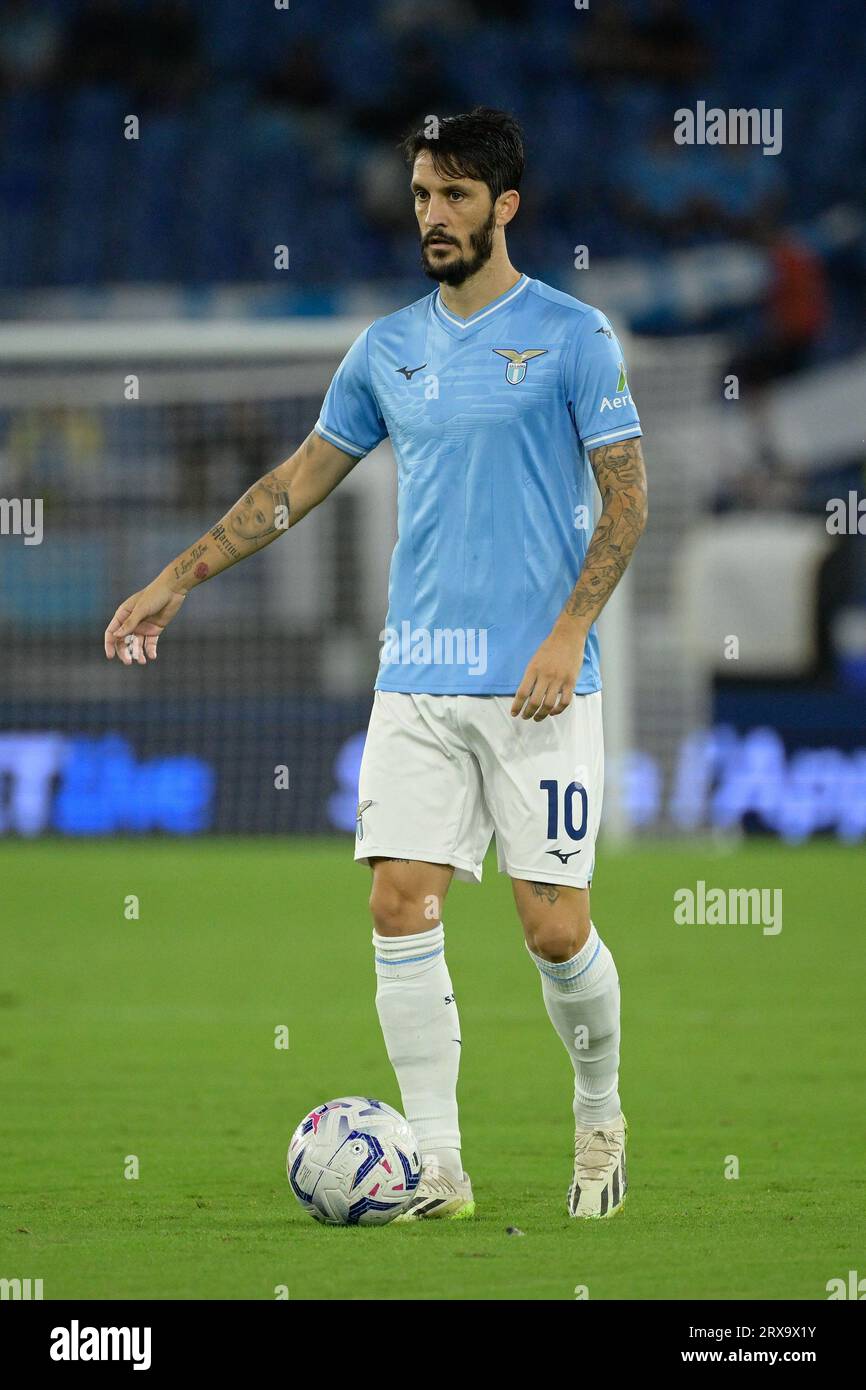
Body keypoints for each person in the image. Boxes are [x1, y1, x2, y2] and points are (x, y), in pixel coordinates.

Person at [103, 108, 648, 1221]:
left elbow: (628, 503)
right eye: (417, 198)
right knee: (399, 904)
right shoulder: (385, 348)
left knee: (552, 926)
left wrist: (564, 633)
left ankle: (598, 1118)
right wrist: (176, 577)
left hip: (538, 684)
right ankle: (437, 1166)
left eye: (452, 197)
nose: (430, 218)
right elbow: (294, 484)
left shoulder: (575, 336)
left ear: (503, 205)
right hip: (415, 680)